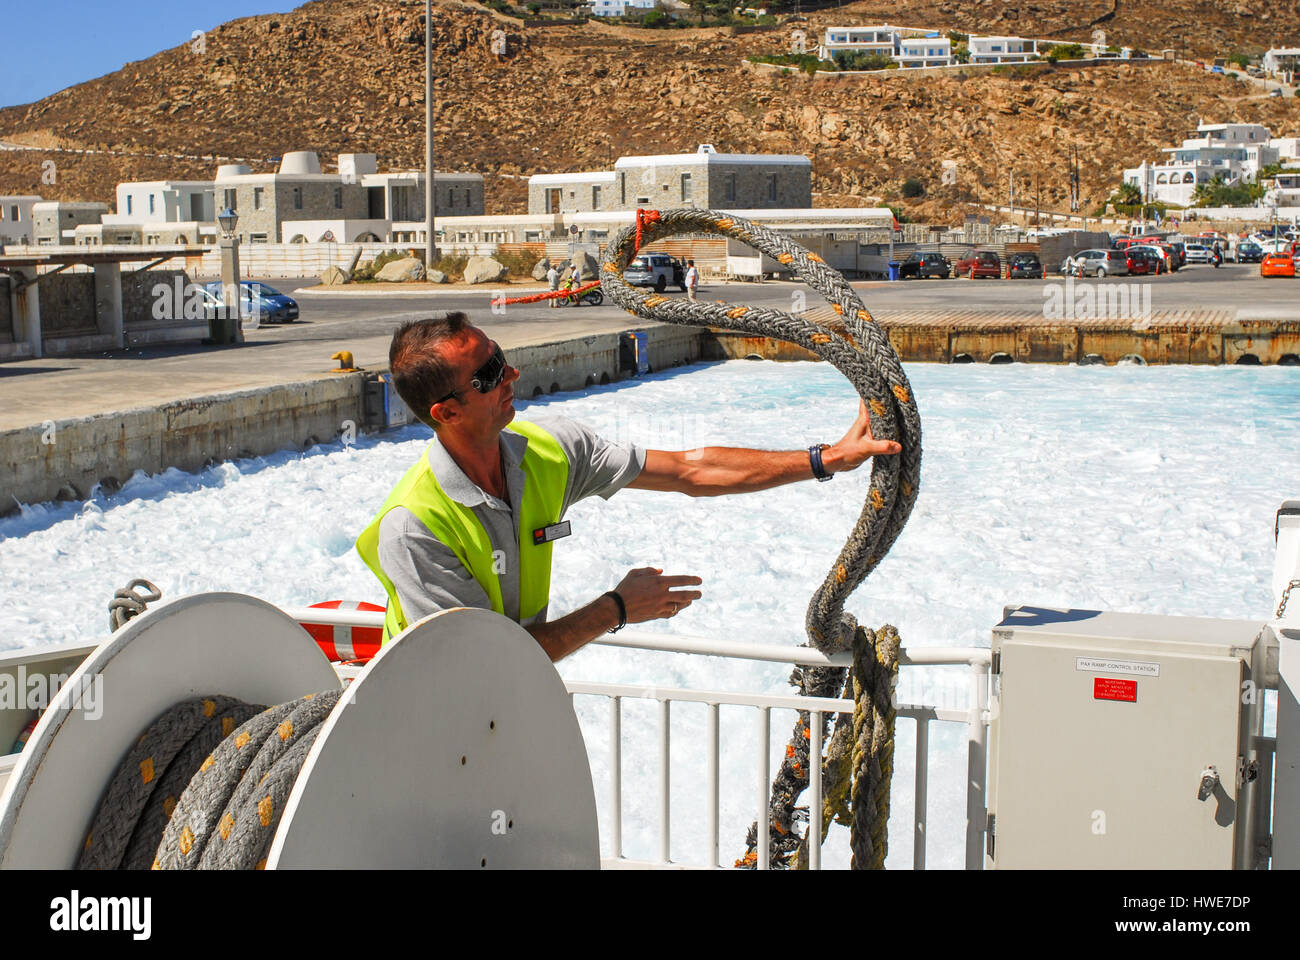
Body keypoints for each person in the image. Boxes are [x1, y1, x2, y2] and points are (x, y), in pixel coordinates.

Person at [356, 313, 902, 663]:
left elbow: (690, 470)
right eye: (489, 374)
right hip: (432, 714)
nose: (511, 375)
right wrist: (615, 608)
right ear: (447, 412)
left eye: (499, 357)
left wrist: (826, 459)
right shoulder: (414, 529)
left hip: (505, 698)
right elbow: (491, 662)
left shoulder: (550, 452)